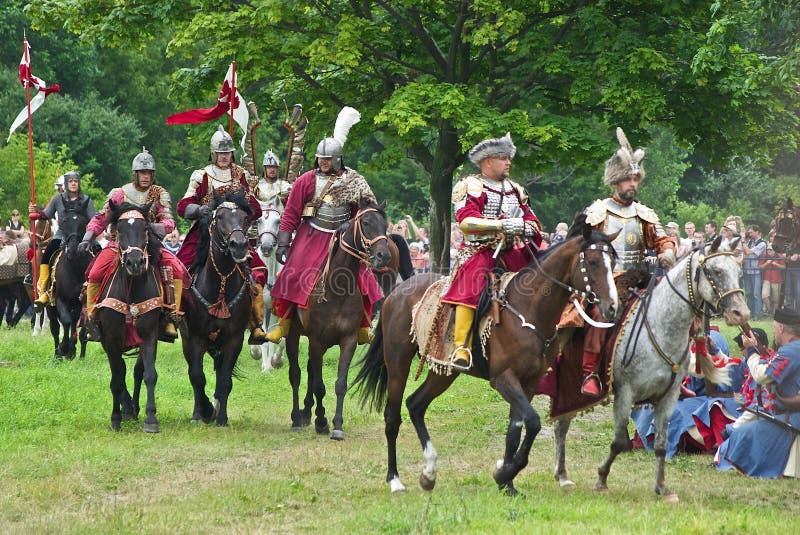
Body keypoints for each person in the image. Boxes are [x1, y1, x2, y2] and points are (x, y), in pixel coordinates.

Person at [267, 106, 380, 345]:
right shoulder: (306, 180)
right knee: (293, 272)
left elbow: (367, 211)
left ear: (337, 159)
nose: (324, 162)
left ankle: (362, 324)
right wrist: (284, 242)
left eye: (328, 159)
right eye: (321, 158)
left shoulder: (354, 180)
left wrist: (351, 225)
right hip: (311, 235)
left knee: (362, 276)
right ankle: (284, 322)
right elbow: (291, 213)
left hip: (344, 239)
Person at [581, 127, 676, 396]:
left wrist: (668, 251)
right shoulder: (598, 211)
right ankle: (590, 373)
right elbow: (583, 244)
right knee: (600, 315)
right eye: (627, 179)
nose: (632, 184)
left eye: (635, 179)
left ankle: (676, 370)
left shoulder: (645, 213)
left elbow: (662, 240)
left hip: (641, 279)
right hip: (607, 282)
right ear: (615, 182)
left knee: (675, 311)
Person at [441, 132, 542, 370]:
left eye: (509, 158)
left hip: (509, 252)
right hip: (479, 251)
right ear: (488, 161)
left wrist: (523, 227)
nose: (508, 162)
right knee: (471, 285)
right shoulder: (471, 185)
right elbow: (466, 221)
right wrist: (501, 225)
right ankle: (461, 347)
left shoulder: (516, 190)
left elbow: (533, 222)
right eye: (503, 158)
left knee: (541, 283)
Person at [79, 149, 189, 341]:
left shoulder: (159, 194)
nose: (145, 176)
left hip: (149, 244)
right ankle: (92, 318)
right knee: (95, 273)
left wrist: (149, 227)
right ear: (135, 174)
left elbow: (169, 222)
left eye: (149, 173)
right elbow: (101, 218)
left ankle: (171, 317)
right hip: (118, 244)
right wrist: (87, 238)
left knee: (177, 271)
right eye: (142, 173)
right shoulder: (119, 194)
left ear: (153, 174)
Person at [175, 127, 268, 344]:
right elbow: (183, 205)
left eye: (227, 153)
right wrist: (201, 210)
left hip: (234, 231)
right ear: (213, 153)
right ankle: (174, 315)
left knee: (258, 270)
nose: (224, 156)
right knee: (179, 267)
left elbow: (255, 209)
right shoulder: (201, 175)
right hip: (204, 234)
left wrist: (242, 203)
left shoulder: (241, 175)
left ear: (232, 154)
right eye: (220, 153)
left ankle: (256, 323)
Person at [716, 307, 800, 478]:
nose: (773, 331)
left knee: (741, 435)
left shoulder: (792, 350)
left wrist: (752, 352)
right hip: (785, 416)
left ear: (781, 328)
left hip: (790, 420)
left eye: (774, 327)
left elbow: (762, 375)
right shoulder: (793, 348)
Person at [28, 171, 96, 306]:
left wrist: (90, 237)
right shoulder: (57, 199)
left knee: (99, 252)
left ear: (79, 183)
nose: (73, 183)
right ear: (66, 183)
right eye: (70, 181)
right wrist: (35, 212)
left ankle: (99, 289)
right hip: (62, 234)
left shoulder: (86, 200)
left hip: (83, 236)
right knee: (47, 255)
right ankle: (44, 291)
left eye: (75, 181)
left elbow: (93, 219)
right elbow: (46, 214)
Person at [741, 224, 767, 319]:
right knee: (748, 293)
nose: (749, 234)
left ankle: (758, 313)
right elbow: (744, 252)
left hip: (756, 272)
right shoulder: (749, 242)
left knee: (756, 294)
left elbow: (748, 252)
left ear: (757, 232)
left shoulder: (762, 243)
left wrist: (743, 241)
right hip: (747, 270)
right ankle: (750, 312)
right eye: (749, 232)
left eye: (751, 232)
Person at [760, 244, 784, 317]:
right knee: (764, 296)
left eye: (770, 250)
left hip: (777, 280)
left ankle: (774, 314)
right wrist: (766, 263)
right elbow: (760, 267)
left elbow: (783, 267)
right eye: (768, 249)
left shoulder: (779, 256)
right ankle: (769, 310)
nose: (769, 251)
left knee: (776, 299)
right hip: (767, 279)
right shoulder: (764, 255)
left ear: (774, 250)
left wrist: (776, 264)